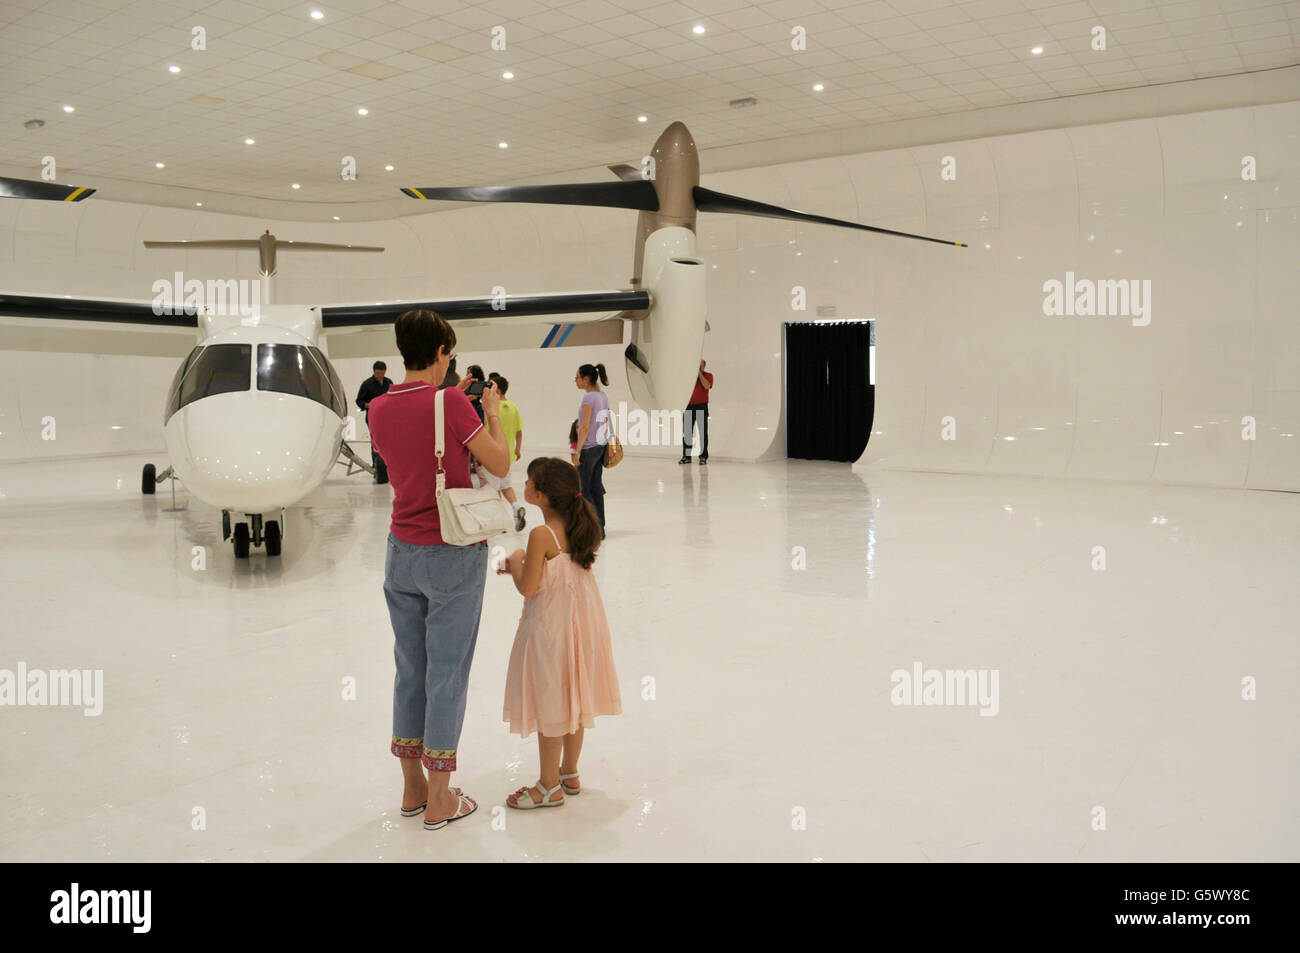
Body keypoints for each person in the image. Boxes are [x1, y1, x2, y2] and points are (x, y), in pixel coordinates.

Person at [367, 310, 511, 831]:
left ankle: (410, 789)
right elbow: (498, 464)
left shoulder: (377, 409)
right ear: (442, 351)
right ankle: (440, 798)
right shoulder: (449, 400)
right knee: (447, 674)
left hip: (399, 549)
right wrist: (491, 410)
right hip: (450, 551)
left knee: (410, 671)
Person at [498, 457, 621, 808]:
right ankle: (569, 771)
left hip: (551, 631)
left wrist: (517, 560)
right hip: (583, 626)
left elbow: (529, 588)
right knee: (575, 698)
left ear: (542, 496)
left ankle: (548, 786)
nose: (525, 486)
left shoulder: (541, 535)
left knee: (552, 701)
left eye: (529, 482)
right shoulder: (581, 526)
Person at [476, 376, 526, 531]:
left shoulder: (491, 408)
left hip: (492, 455)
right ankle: (516, 506)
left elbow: (484, 431)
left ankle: (500, 520)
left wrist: (478, 454)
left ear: (496, 390)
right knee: (506, 485)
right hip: (507, 456)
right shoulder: (513, 407)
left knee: (493, 489)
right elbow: (519, 431)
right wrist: (517, 448)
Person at [573, 363, 609, 538]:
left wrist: (578, 450)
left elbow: (585, 426)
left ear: (586, 379)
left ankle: (596, 529)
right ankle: (600, 525)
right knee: (595, 487)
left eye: (577, 377)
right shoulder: (603, 396)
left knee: (584, 489)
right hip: (600, 445)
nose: (575, 380)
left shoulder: (589, 398)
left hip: (589, 447)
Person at [355, 361, 391, 483]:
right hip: (373, 417)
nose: (380, 375)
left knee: (388, 441)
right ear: (374, 371)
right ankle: (377, 468)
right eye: (377, 373)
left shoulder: (389, 382)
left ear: (385, 372)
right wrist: (368, 404)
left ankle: (389, 467)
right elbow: (359, 401)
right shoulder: (366, 384)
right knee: (376, 442)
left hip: (387, 418)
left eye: (382, 373)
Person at [680, 358, 713, 466]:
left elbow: (706, 385)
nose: (699, 366)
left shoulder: (708, 375)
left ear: (704, 366)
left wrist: (698, 373)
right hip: (689, 406)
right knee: (687, 433)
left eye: (701, 365)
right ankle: (686, 456)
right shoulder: (689, 376)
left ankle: (703, 457)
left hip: (701, 407)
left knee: (702, 433)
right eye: (697, 365)